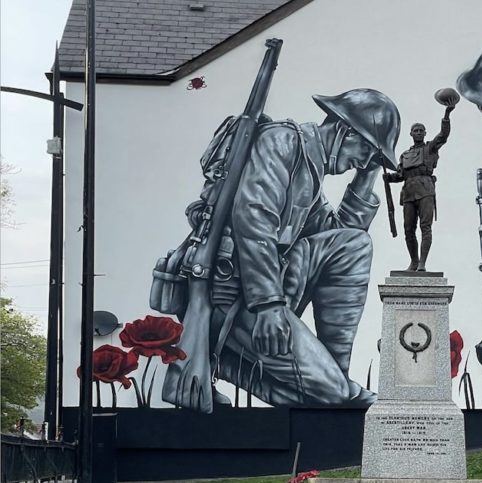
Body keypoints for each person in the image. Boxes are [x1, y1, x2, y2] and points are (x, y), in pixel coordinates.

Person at [162, 89, 400, 410]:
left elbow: (340, 239)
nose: (365, 161)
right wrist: (269, 306)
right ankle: (333, 388)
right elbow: (254, 220)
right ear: (345, 131)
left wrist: (367, 176)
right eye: (367, 151)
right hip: (234, 293)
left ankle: (333, 379)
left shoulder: (308, 168)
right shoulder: (282, 142)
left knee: (356, 245)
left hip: (263, 291)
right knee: (336, 396)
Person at [384, 105, 454, 271]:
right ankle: (414, 262)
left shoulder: (430, 148)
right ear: (411, 134)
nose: (418, 132)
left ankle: (422, 263)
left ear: (425, 133)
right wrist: (389, 178)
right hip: (408, 192)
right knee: (408, 229)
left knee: (425, 227)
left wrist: (447, 114)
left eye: (421, 130)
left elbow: (443, 135)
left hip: (425, 190)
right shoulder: (405, 155)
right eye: (415, 130)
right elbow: (401, 175)